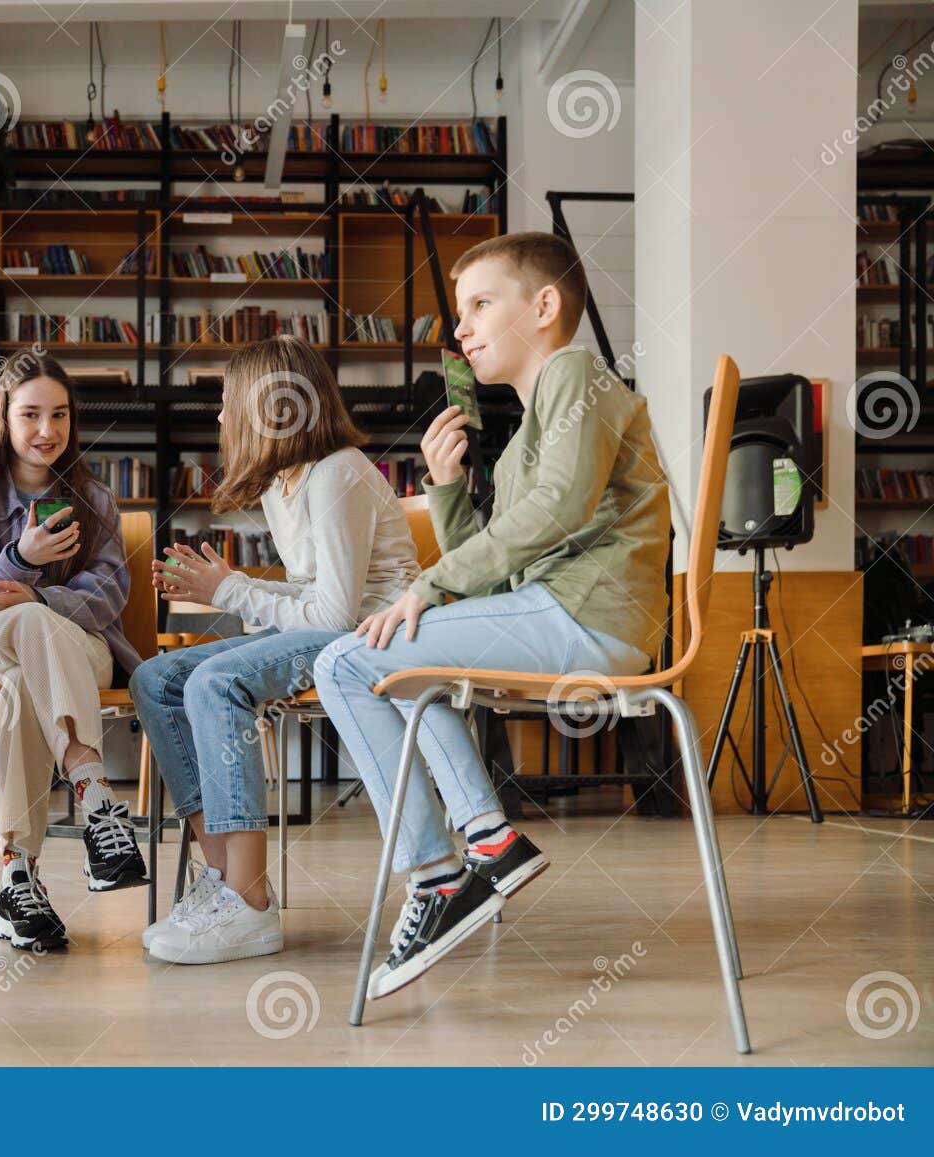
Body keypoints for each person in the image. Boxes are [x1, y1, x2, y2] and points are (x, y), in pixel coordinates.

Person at [314, 231, 670, 1000]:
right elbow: (495, 576)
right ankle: (486, 839)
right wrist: (447, 487)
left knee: (343, 661)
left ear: (544, 306)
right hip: (563, 612)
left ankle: (444, 872)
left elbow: (561, 506)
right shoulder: (516, 448)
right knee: (396, 664)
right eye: (462, 311)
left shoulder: (575, 371)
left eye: (480, 304)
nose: (462, 327)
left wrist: (430, 583)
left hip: (586, 614)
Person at [130, 334, 419, 965]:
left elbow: (336, 615)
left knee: (214, 683)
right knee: (155, 680)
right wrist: (229, 586)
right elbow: (312, 592)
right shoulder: (282, 484)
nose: (221, 415)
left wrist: (231, 590)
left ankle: (250, 901)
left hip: (375, 636)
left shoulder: (337, 472)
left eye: (229, 400)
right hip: (335, 628)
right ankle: (222, 881)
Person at [0, 349, 149, 951]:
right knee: (22, 627)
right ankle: (96, 799)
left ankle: (16, 882)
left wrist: (38, 598)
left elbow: (108, 596)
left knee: (19, 682)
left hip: (78, 650)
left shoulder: (95, 500)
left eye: (59, 414)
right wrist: (19, 560)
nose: (47, 430)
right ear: (2, 418)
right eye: (31, 415)